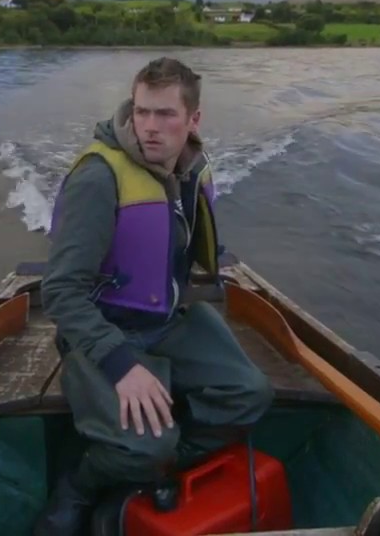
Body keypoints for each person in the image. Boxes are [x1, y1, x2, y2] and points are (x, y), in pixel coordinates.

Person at [33, 57, 274, 535]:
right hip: (101, 331)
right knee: (146, 445)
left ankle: (144, 468)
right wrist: (121, 366)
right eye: (141, 111)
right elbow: (59, 290)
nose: (149, 127)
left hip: (166, 321)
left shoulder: (188, 169)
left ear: (193, 120)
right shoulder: (98, 179)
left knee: (251, 395)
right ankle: (80, 485)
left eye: (165, 114)